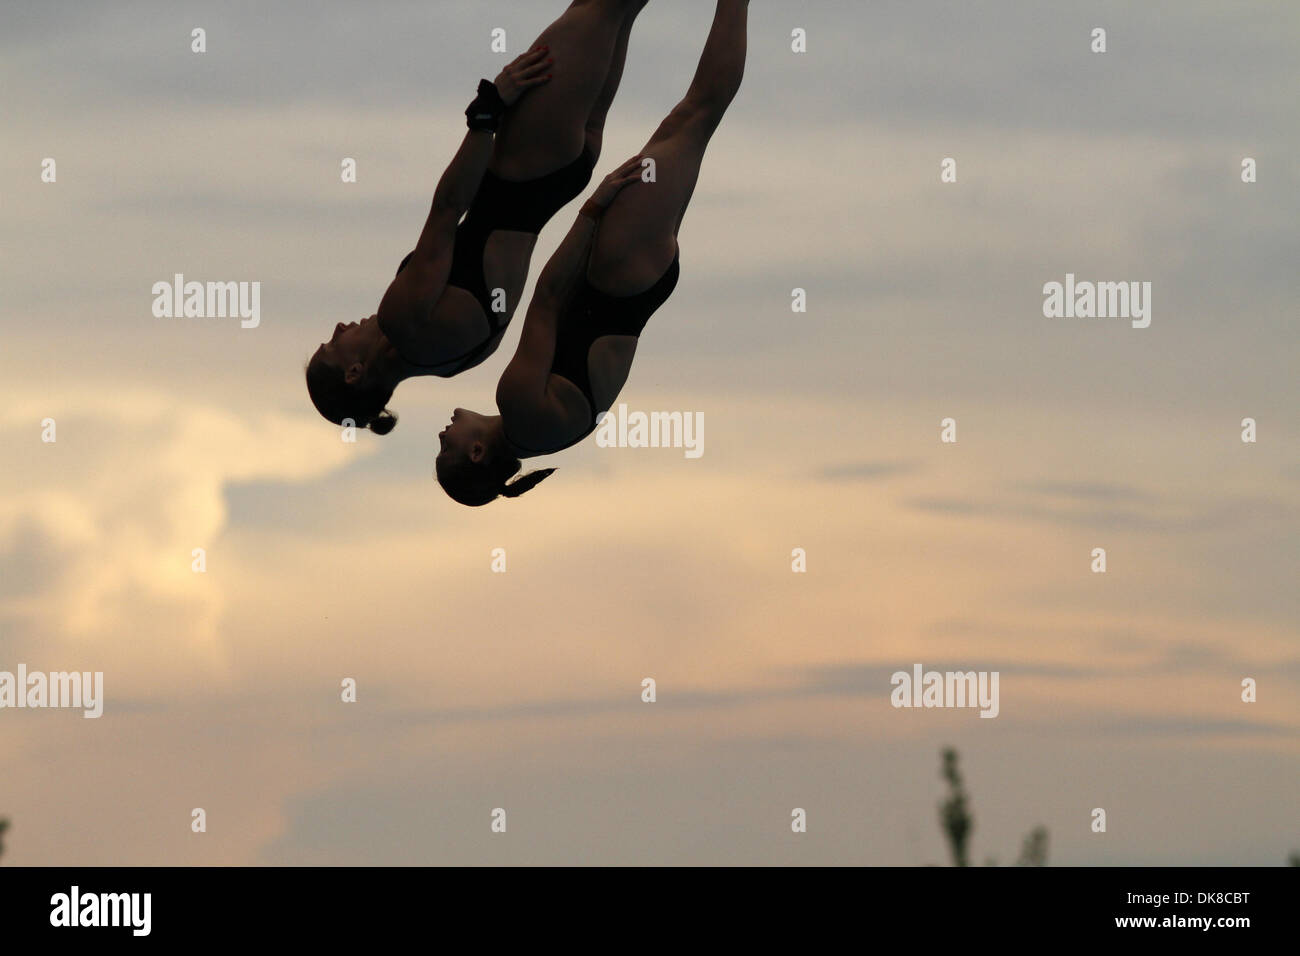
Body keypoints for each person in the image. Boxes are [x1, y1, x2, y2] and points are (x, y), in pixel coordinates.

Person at [436, 0, 748, 505]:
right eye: (444, 449)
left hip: (636, 283)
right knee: (697, 115)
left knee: (694, 117)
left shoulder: (547, 438)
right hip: (617, 269)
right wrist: (593, 210)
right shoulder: (515, 405)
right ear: (475, 453)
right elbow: (548, 296)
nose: (441, 433)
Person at [307, 0, 649, 434]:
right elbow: (447, 209)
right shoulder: (401, 318)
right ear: (354, 372)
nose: (337, 328)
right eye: (332, 346)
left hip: (565, 173)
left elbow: (539, 295)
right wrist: (488, 110)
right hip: (528, 156)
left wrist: (592, 211)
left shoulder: (455, 363)